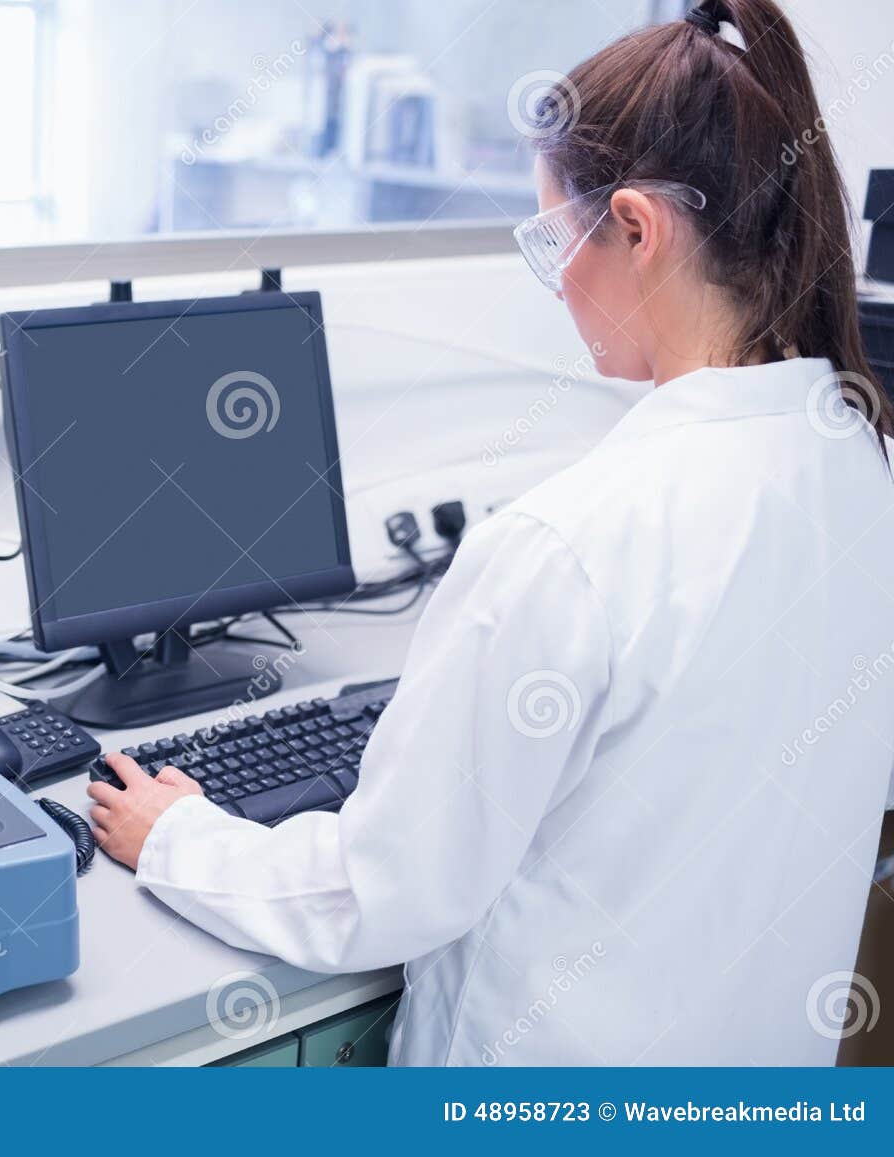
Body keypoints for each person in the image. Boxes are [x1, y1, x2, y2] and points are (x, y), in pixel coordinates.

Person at [88, 0, 894, 1065]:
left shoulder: (570, 543)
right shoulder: (853, 461)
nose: (557, 276)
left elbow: (386, 891)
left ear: (638, 230)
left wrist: (180, 838)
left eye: (553, 236)